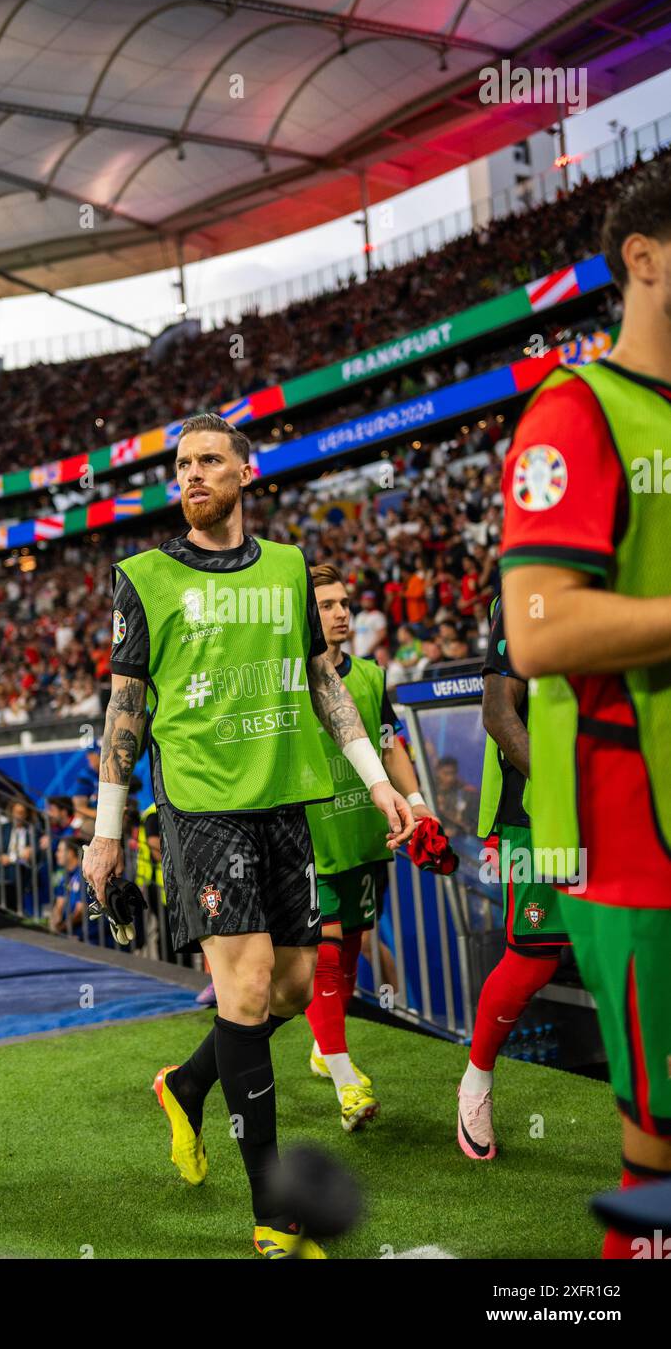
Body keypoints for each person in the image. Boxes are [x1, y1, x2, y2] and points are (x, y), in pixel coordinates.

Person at [82, 412, 414, 1259]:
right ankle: (274, 1213)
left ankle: (186, 1086)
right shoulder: (144, 577)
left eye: (208, 462)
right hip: (201, 805)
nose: (190, 476)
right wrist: (108, 828)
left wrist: (378, 783)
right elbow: (125, 709)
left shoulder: (293, 569)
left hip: (286, 803)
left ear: (246, 471)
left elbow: (323, 684)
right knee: (248, 983)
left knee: (294, 991)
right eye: (181, 465)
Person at [501, 166, 671, 1257]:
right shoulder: (573, 408)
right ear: (643, 259)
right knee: (658, 1144)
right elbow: (539, 631)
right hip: (634, 822)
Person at [304, 564, 435, 1131]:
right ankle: (344, 1081)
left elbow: (390, 743)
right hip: (310, 836)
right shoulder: (290, 678)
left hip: (366, 830)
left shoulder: (372, 676)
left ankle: (324, 1043)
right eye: (326, 604)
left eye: (343, 603)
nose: (340, 613)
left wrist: (418, 799)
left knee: (353, 944)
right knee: (325, 952)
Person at [457, 596, 567, 1161]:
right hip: (542, 813)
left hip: (631, 806)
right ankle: (476, 1083)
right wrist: (562, 790)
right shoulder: (528, 591)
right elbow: (499, 713)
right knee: (534, 957)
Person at [351, 589, 387, 661]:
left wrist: (370, 649)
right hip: (358, 655)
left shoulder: (378, 615)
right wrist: (353, 652)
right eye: (365, 600)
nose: (367, 602)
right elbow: (354, 635)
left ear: (374, 602)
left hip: (371, 654)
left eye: (369, 600)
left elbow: (382, 634)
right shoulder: (359, 616)